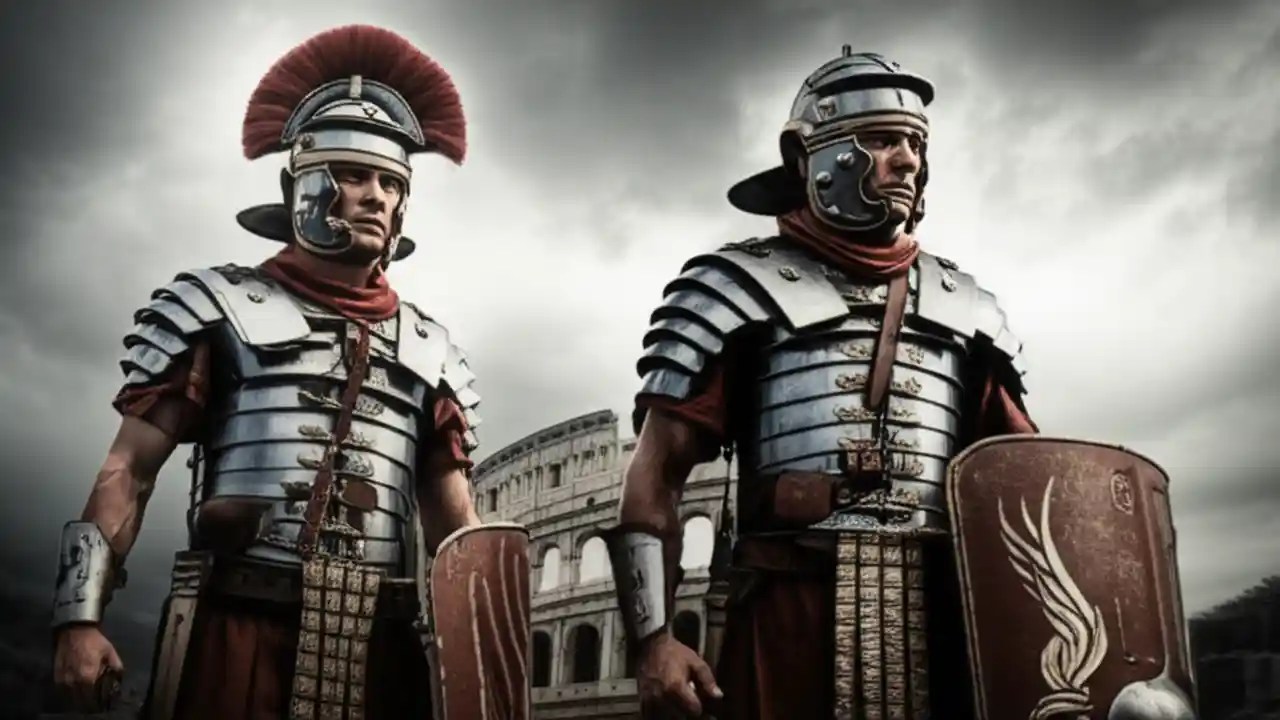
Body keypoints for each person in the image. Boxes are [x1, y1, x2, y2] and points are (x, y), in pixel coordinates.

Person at [49, 25, 530, 720]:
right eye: (357, 175)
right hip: (238, 624)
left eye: (392, 183)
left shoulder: (432, 350)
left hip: (381, 645)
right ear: (302, 183)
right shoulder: (215, 308)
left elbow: (458, 532)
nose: (376, 198)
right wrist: (79, 615)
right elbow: (129, 468)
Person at [604, 47, 1039, 719]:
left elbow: (1029, 485)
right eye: (882, 140)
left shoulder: (968, 310)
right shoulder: (730, 289)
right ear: (811, 157)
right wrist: (654, 640)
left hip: (939, 620)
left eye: (916, 144)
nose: (908, 160)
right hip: (789, 614)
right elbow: (656, 473)